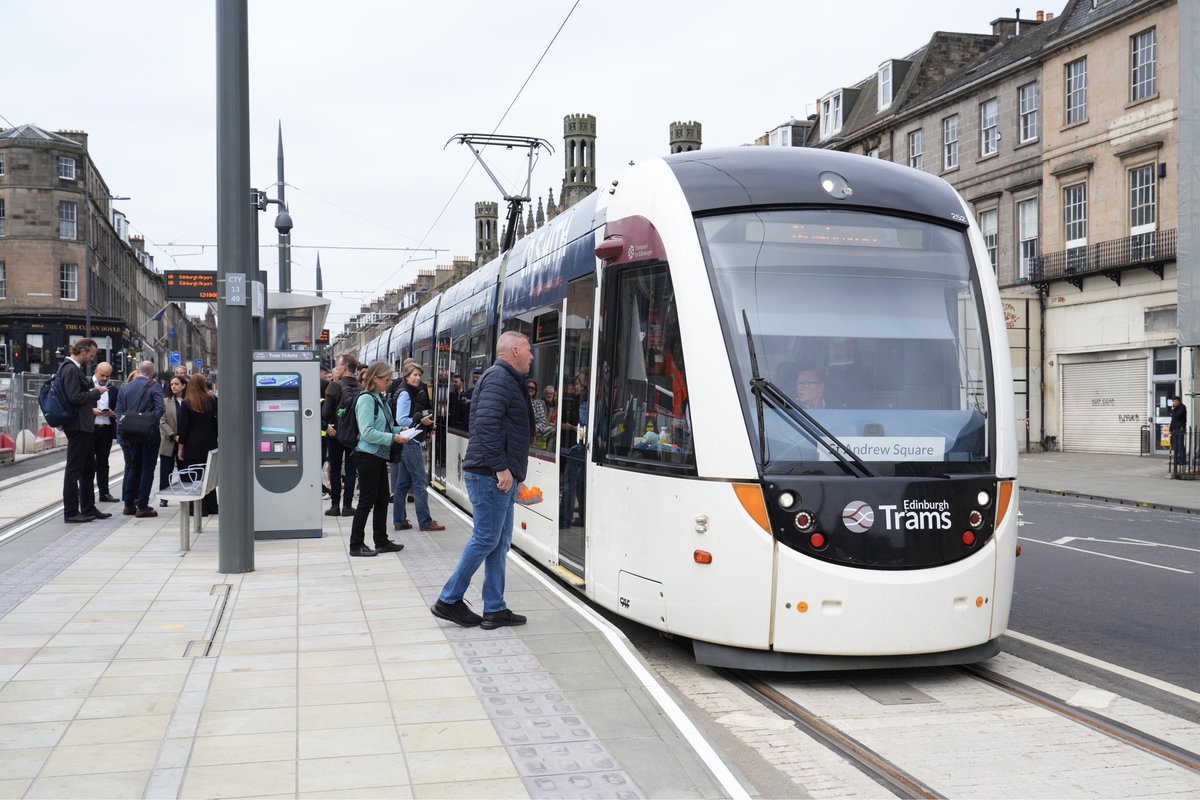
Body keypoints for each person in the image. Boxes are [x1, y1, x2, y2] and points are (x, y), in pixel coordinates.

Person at [432, 331, 533, 629]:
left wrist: (515, 475)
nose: (531, 356)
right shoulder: (499, 379)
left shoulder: (505, 379)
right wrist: (502, 468)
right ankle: (449, 600)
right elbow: (486, 425)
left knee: (499, 543)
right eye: (528, 350)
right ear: (514, 350)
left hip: (500, 475)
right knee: (487, 538)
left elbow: (503, 428)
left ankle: (494, 608)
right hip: (491, 475)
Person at [349, 361, 419, 557]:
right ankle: (356, 545)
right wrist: (393, 437)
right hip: (367, 456)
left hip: (378, 455)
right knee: (366, 501)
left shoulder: (379, 398)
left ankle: (381, 540)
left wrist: (401, 430)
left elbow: (385, 426)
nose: (389, 383)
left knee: (381, 500)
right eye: (386, 380)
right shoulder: (366, 400)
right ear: (375, 379)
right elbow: (367, 432)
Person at [60, 339, 112, 523]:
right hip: (78, 426)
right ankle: (71, 512)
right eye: (91, 355)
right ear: (82, 351)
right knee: (74, 470)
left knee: (89, 468)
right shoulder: (70, 369)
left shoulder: (73, 369)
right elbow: (74, 397)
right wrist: (96, 392)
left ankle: (88, 508)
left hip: (84, 425)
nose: (92, 359)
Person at [392, 362, 444, 533]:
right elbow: (401, 419)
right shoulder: (405, 393)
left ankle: (399, 521)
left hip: (408, 442)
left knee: (402, 484)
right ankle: (426, 522)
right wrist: (421, 421)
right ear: (406, 376)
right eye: (414, 375)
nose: (418, 378)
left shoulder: (408, 391)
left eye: (419, 375)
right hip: (410, 442)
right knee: (420, 483)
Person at [115, 361, 165, 517]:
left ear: (138, 370)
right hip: (148, 434)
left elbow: (118, 411)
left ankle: (128, 505)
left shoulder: (125, 387)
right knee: (147, 469)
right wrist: (148, 422)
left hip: (130, 434)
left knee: (134, 467)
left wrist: (130, 423)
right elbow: (160, 409)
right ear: (152, 372)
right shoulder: (154, 386)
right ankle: (142, 506)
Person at [322, 354, 361, 516]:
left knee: (336, 470)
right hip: (354, 437)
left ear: (344, 368)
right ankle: (347, 506)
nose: (336, 368)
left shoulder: (334, 387)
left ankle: (335, 506)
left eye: (338, 366)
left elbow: (324, 414)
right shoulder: (361, 388)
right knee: (351, 471)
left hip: (335, 435)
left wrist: (328, 425)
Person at [177, 373, 219, 515]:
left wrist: (180, 447)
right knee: (210, 475)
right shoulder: (212, 400)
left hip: (192, 445)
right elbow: (217, 423)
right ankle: (212, 506)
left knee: (194, 476)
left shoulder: (187, 403)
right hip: (210, 443)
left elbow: (183, 428)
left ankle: (198, 508)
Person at [157, 374, 187, 507]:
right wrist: (173, 435)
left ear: (184, 385)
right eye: (172, 384)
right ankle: (164, 497)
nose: (173, 386)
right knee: (166, 471)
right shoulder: (165, 401)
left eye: (176, 384)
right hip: (169, 441)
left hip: (185, 442)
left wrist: (183, 437)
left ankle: (186, 496)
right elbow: (162, 421)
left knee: (184, 470)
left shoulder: (189, 401)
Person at [91, 361, 118, 502]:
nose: (105, 379)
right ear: (96, 371)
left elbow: (118, 408)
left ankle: (104, 493)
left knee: (103, 462)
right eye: (102, 375)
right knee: (87, 463)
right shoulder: (87, 386)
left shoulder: (112, 389)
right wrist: (92, 412)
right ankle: (85, 494)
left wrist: (113, 414)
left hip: (106, 429)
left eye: (107, 376)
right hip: (90, 430)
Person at [1169, 395, 1188, 468]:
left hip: (1180, 428)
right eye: (1173, 401)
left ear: (1179, 401)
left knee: (1180, 445)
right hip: (1174, 429)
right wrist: (1170, 428)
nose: (1175, 403)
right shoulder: (1175, 408)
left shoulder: (1182, 407)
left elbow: (1178, 415)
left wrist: (1173, 410)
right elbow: (1173, 419)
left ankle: (1182, 460)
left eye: (1176, 401)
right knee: (1175, 445)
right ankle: (1176, 459)